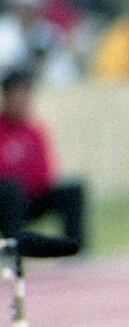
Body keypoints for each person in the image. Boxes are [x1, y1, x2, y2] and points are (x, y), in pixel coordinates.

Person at [0, 69, 86, 252]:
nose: (22, 101)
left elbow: (45, 170)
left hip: (31, 197)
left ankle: (76, 253)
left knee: (72, 189)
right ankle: (14, 250)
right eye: (17, 95)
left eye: (26, 95)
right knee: (10, 190)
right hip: (6, 201)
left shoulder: (35, 131)